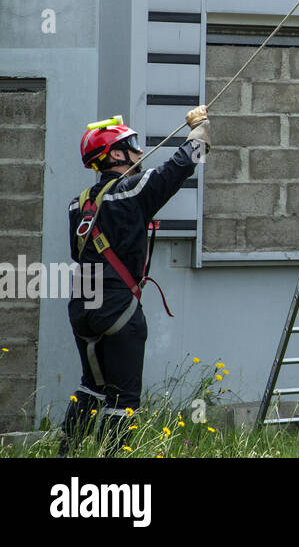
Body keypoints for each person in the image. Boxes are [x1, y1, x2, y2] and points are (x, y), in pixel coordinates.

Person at [59, 107, 211, 455]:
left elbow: (77, 252)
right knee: (123, 397)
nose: (141, 153)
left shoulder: (77, 204)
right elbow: (181, 168)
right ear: (114, 154)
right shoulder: (131, 189)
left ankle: (65, 451)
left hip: (82, 305)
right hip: (118, 306)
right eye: (133, 145)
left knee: (91, 387)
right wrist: (201, 131)